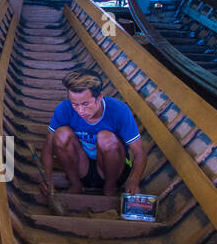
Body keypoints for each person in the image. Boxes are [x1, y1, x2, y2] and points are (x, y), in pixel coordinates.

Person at [38, 70, 147, 200]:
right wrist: (47, 179)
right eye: (75, 104)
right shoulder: (64, 108)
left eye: (85, 104)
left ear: (99, 97)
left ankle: (109, 189)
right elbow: (48, 147)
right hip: (82, 169)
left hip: (114, 171)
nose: (80, 111)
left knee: (106, 138)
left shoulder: (119, 110)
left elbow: (139, 153)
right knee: (61, 134)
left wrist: (134, 181)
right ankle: (76, 185)